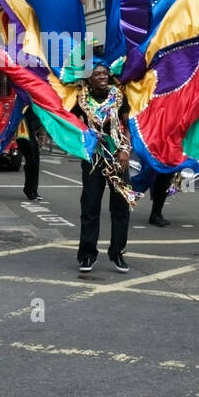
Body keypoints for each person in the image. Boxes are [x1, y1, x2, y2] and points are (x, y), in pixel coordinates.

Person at [72, 61, 132, 273]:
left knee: (121, 207)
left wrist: (125, 151)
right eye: (97, 75)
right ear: (89, 79)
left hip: (118, 158)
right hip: (93, 160)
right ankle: (87, 255)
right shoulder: (80, 99)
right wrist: (85, 139)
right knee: (90, 207)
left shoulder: (119, 96)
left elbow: (127, 126)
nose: (102, 77)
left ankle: (117, 254)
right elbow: (72, 124)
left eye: (105, 74)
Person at [17, 103, 43, 202]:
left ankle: (33, 190)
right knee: (32, 161)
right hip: (23, 133)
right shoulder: (27, 104)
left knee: (35, 162)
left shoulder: (38, 106)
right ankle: (29, 190)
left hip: (31, 134)